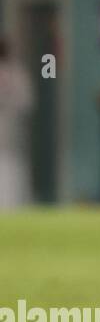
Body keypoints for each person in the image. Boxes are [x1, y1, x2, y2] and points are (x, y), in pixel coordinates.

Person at [0, 37, 33, 209]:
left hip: (12, 135)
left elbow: (26, 102)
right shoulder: (18, 73)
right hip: (9, 134)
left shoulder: (17, 73)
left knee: (13, 172)